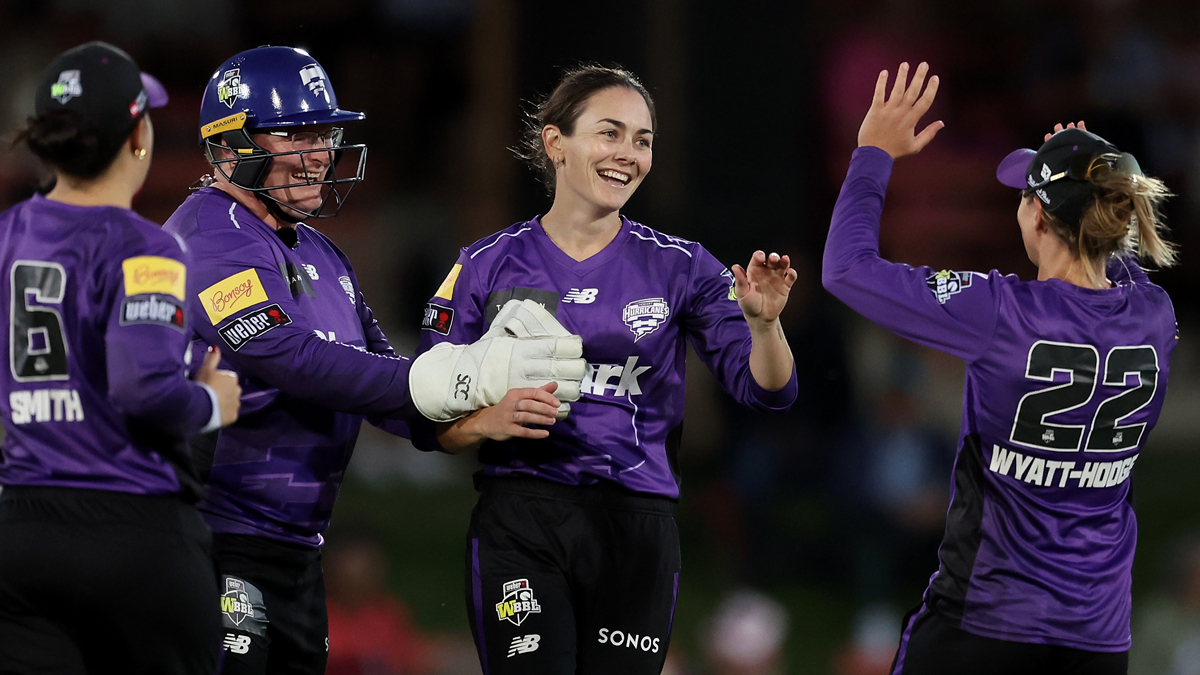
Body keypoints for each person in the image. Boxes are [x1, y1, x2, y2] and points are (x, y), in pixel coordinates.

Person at [163, 46, 584, 675]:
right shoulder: (209, 231)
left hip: (295, 552)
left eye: (324, 133)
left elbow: (391, 393)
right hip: (215, 538)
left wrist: (482, 414)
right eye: (296, 133)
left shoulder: (325, 256)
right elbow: (284, 353)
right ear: (231, 145)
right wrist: (460, 374)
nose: (318, 153)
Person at [417, 65, 799, 674]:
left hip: (635, 529)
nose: (629, 154)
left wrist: (765, 325)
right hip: (522, 517)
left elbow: (768, 392)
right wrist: (488, 420)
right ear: (555, 144)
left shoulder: (683, 267)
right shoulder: (486, 264)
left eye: (643, 140)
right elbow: (428, 416)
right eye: (610, 133)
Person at [822, 62, 1179, 675]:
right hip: (1095, 638)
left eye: (1024, 196)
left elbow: (845, 269)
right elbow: (1114, 265)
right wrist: (1091, 174)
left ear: (1038, 220)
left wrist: (873, 153)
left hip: (985, 622)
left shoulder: (1000, 312)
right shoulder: (1153, 316)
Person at [0, 42, 242, 674]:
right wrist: (212, 403)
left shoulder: (5, 237)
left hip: (19, 533)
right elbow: (145, 390)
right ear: (137, 136)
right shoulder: (146, 248)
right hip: (132, 534)